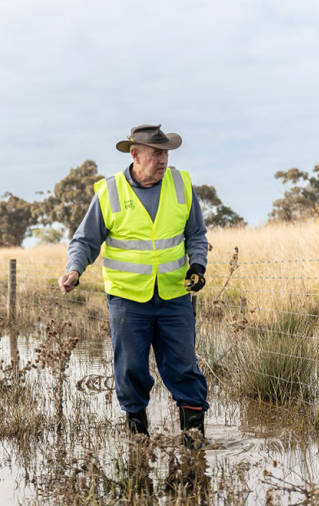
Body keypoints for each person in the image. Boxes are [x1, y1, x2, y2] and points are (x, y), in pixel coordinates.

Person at [58, 124, 209, 442]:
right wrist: (75, 270)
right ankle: (139, 443)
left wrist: (197, 265)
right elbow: (85, 241)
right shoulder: (109, 192)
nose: (164, 159)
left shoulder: (181, 185)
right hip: (127, 301)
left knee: (184, 367)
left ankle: (194, 443)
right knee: (131, 371)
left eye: (166, 152)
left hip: (173, 296)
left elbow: (196, 234)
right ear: (135, 154)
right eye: (157, 153)